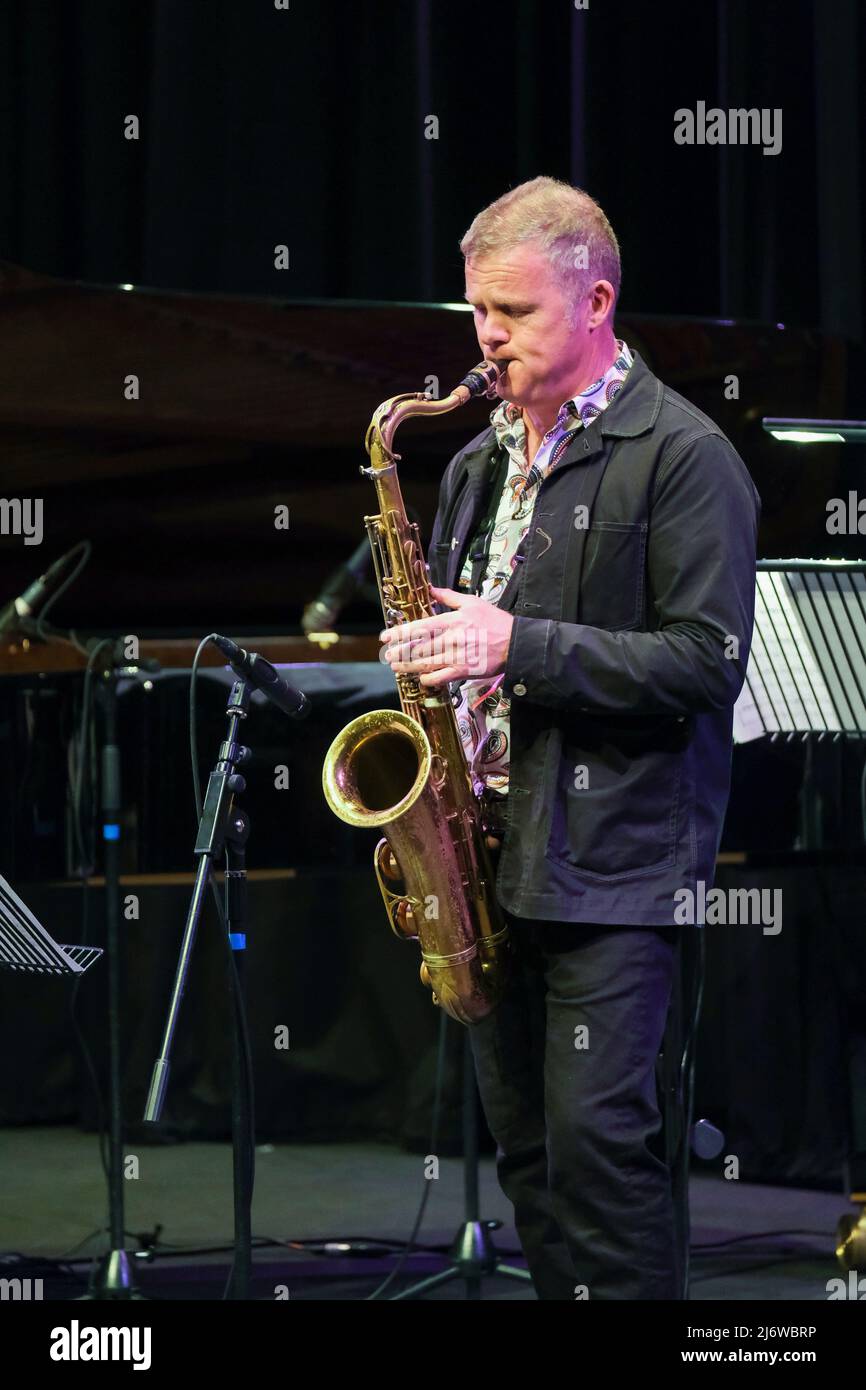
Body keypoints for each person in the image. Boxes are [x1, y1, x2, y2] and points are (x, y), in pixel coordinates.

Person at [379, 176, 760, 1300]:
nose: (485, 340)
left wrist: (515, 645)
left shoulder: (682, 458)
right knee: (534, 1162)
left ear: (594, 303)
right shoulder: (472, 463)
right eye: (475, 314)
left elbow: (704, 662)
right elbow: (459, 638)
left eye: (514, 312)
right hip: (488, 855)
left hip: (613, 867)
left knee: (598, 1159)